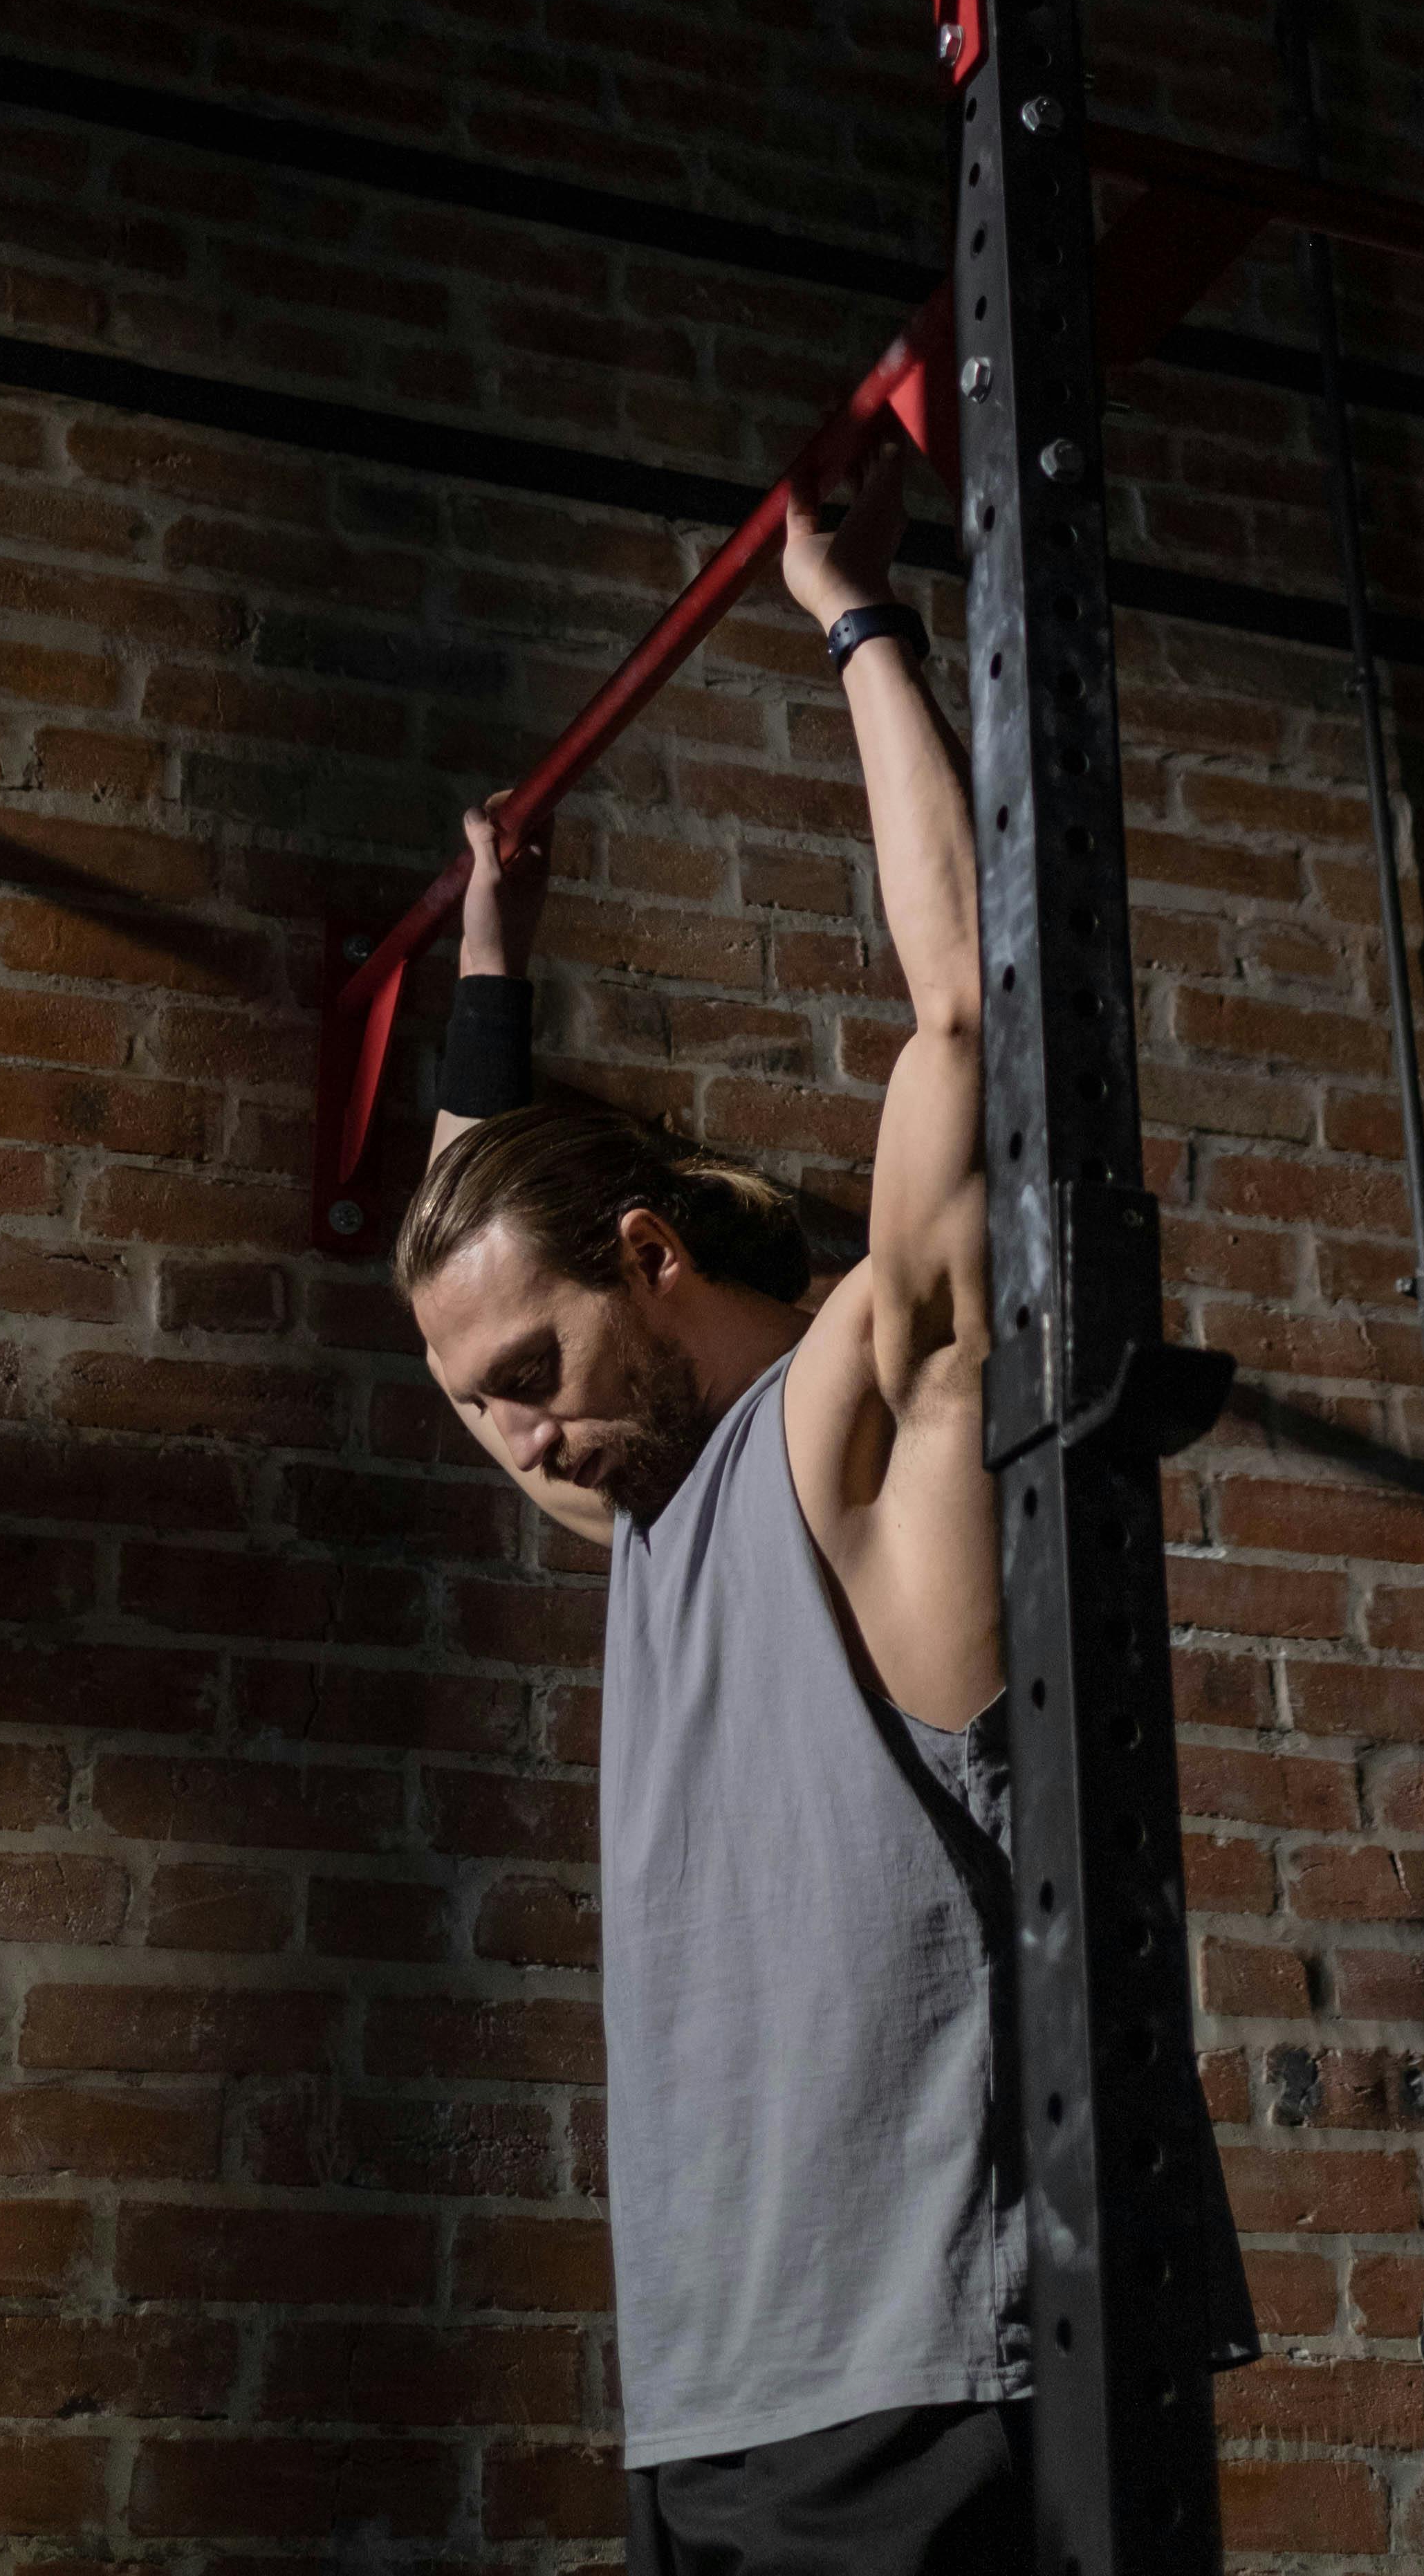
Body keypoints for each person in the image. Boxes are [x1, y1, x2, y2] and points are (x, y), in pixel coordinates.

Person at [393, 443, 1252, 2576]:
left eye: (529, 1380)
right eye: (474, 1406)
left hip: (947, 2383)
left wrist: (856, 615)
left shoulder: (861, 1432)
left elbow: (969, 1013)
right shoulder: (647, 1523)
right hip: (714, 2404)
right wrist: (494, 952)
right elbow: (466, 1243)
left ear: (655, 1256)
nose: (516, 1443)